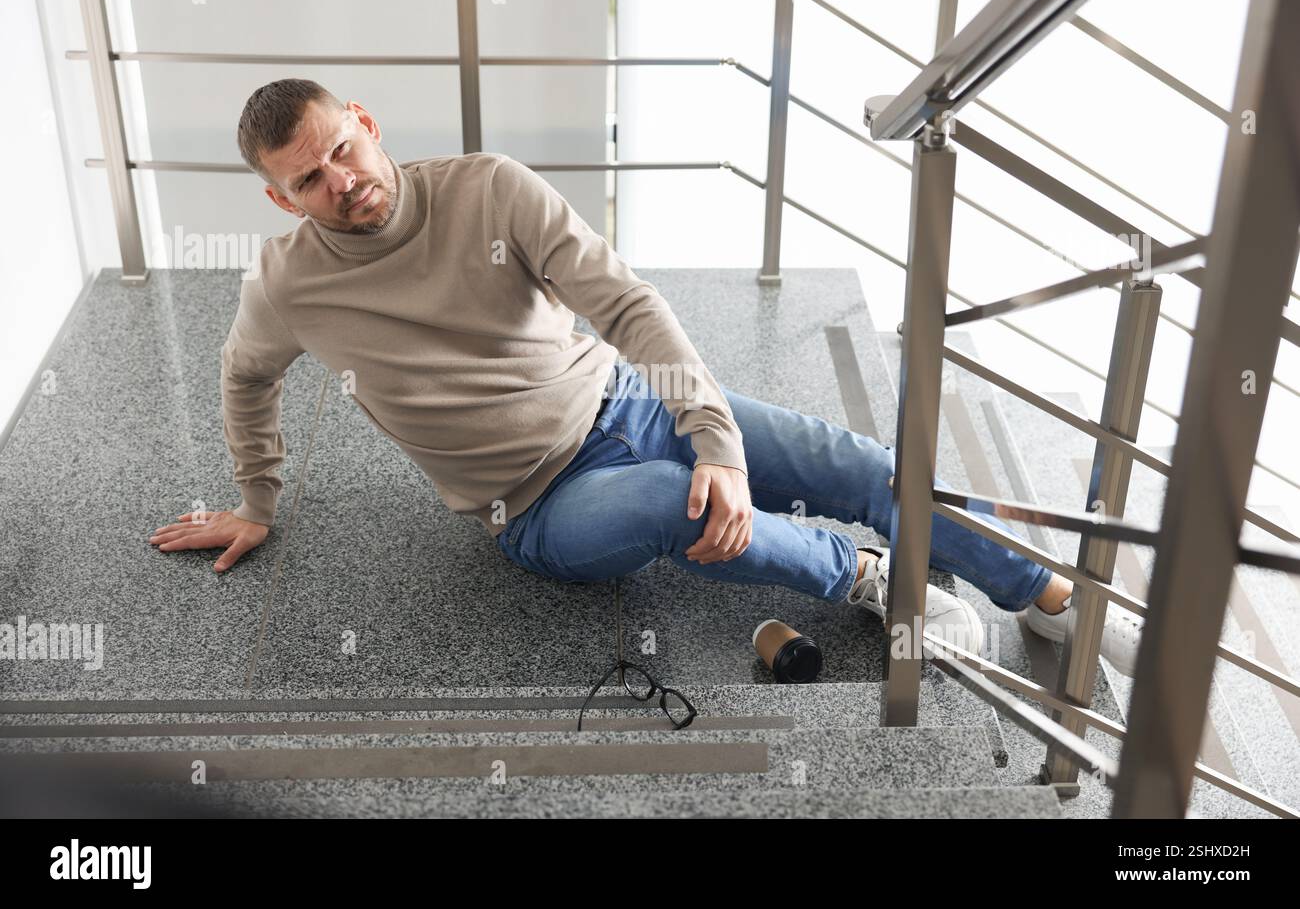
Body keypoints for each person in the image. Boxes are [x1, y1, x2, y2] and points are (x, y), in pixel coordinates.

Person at [148, 78, 1143, 675]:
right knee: (679, 503)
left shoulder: (489, 189)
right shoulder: (288, 285)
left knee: (847, 460)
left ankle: (1049, 595)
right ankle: (874, 580)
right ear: (282, 200)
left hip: (626, 399)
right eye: (308, 179)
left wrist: (715, 438)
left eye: (342, 149)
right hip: (536, 505)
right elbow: (245, 378)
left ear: (364, 121)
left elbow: (626, 306)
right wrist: (257, 501)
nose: (341, 181)